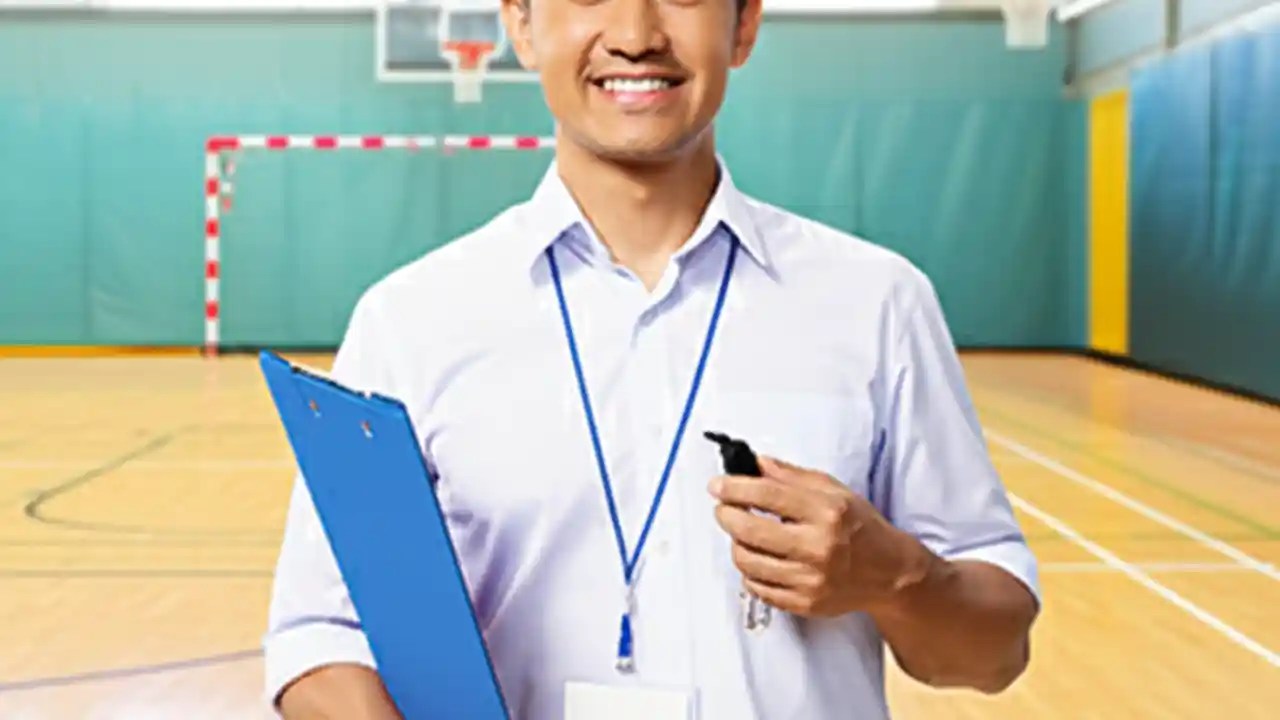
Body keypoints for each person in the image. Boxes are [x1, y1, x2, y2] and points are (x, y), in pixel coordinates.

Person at [262, 0, 1041, 717]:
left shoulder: (879, 304)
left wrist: (895, 577)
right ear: (522, 25)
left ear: (743, 26)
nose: (635, 33)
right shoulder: (410, 320)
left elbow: (995, 652)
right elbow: (318, 637)